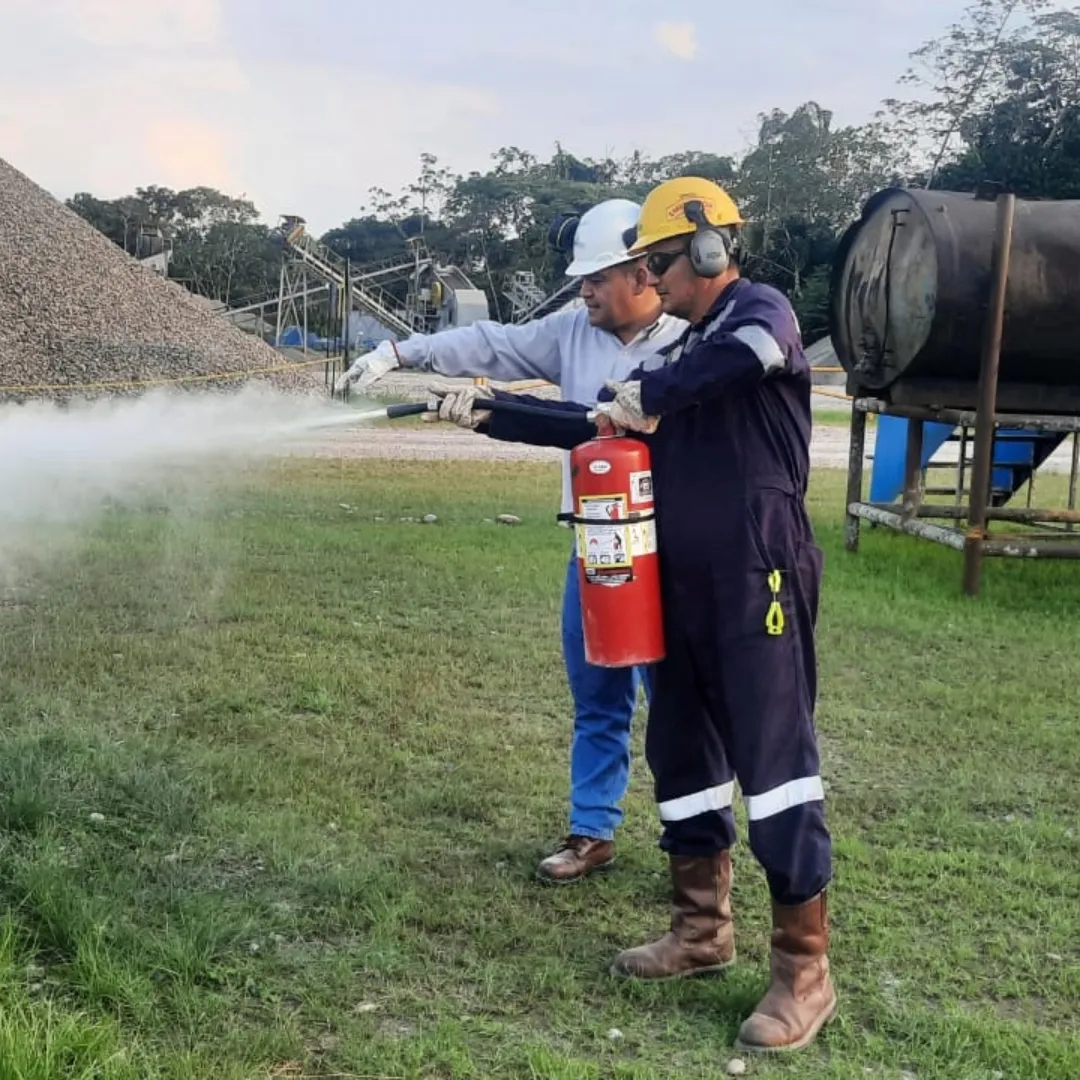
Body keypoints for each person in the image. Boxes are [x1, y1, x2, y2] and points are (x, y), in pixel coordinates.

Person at [425, 177, 836, 1054]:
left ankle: (804, 969)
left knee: (775, 763)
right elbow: (595, 420)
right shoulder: (677, 357)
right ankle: (701, 931)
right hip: (674, 578)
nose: (648, 274)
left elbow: (747, 355)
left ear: (710, 250)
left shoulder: (757, 315)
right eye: (642, 261)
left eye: (656, 260)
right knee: (680, 748)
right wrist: (489, 412)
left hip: (755, 575)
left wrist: (647, 394)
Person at [335, 199, 688, 885]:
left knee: (675, 704)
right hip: (594, 543)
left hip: (671, 549)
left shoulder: (691, 338)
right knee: (597, 694)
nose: (583, 290)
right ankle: (593, 831)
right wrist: (401, 351)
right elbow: (492, 342)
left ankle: (692, 842)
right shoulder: (572, 331)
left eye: (595, 277)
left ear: (644, 271)